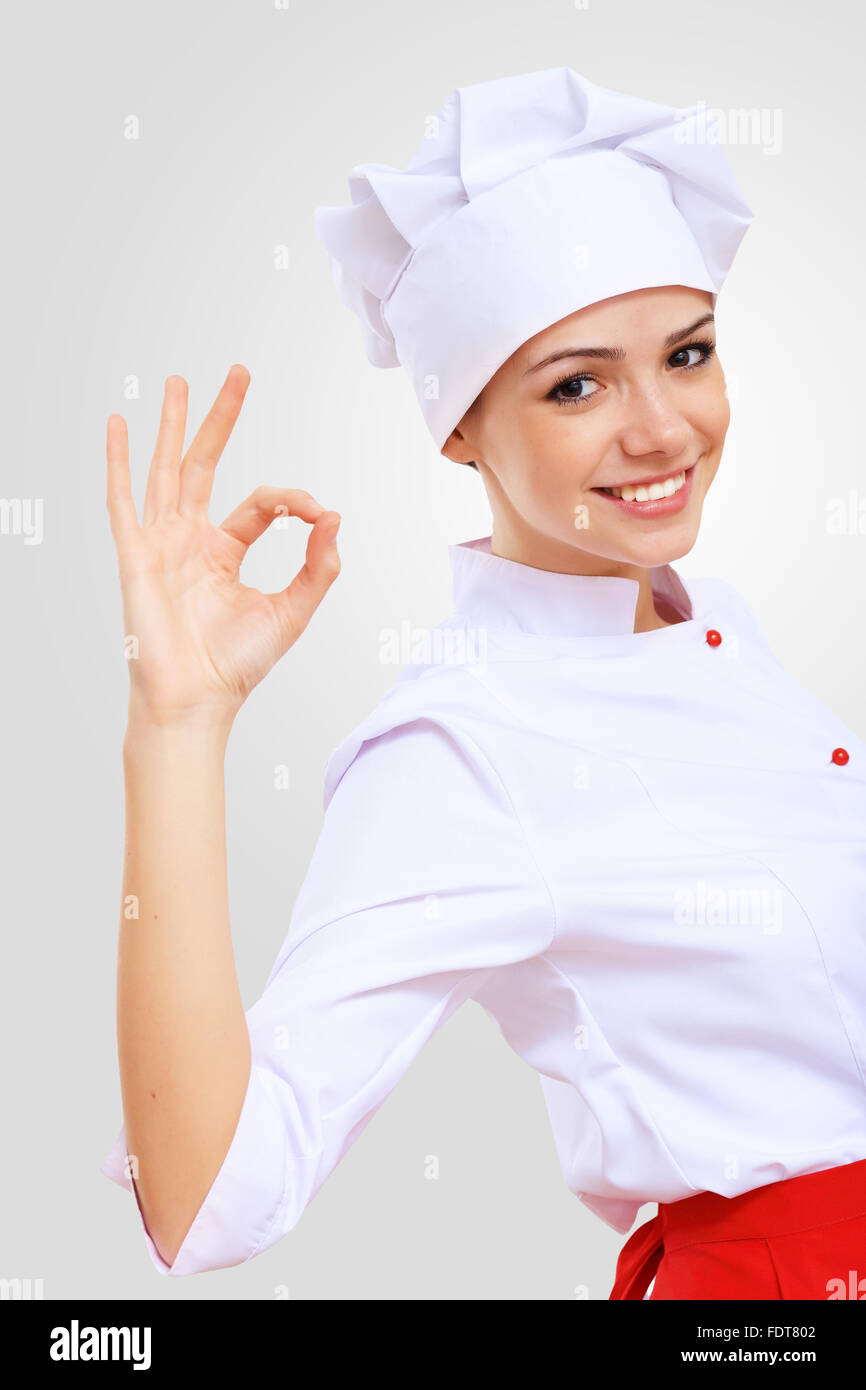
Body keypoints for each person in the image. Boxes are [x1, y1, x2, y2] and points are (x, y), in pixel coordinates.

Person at [100, 67, 866, 1299]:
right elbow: (207, 1199)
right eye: (576, 383)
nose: (661, 427)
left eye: (686, 354)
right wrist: (176, 725)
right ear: (458, 426)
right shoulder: (463, 747)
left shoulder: (709, 622)